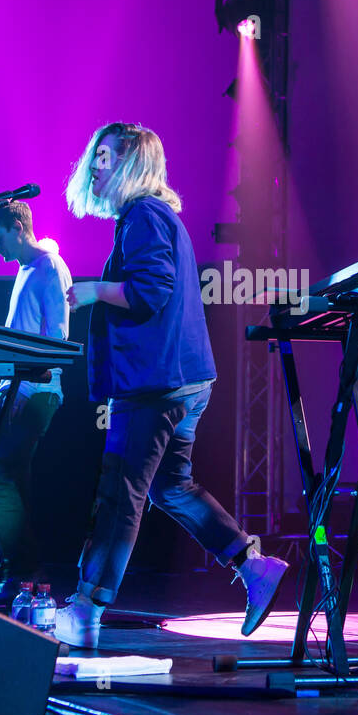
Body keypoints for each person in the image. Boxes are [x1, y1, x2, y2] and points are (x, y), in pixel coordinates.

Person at [54, 122, 288, 648]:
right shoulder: (158, 217)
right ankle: (252, 565)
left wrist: (93, 291)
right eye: (95, 155)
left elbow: (150, 291)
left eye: (107, 157)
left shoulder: (143, 216)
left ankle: (87, 607)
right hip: (182, 382)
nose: (95, 165)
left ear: (133, 163)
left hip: (155, 385)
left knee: (121, 492)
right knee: (169, 486)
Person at [0, 200, 72, 607]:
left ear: (17, 227)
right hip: (17, 390)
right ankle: (22, 579)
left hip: (34, 394)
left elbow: (56, 345)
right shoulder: (26, 269)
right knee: (8, 480)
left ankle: (23, 571)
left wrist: (12, 378)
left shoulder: (49, 267)